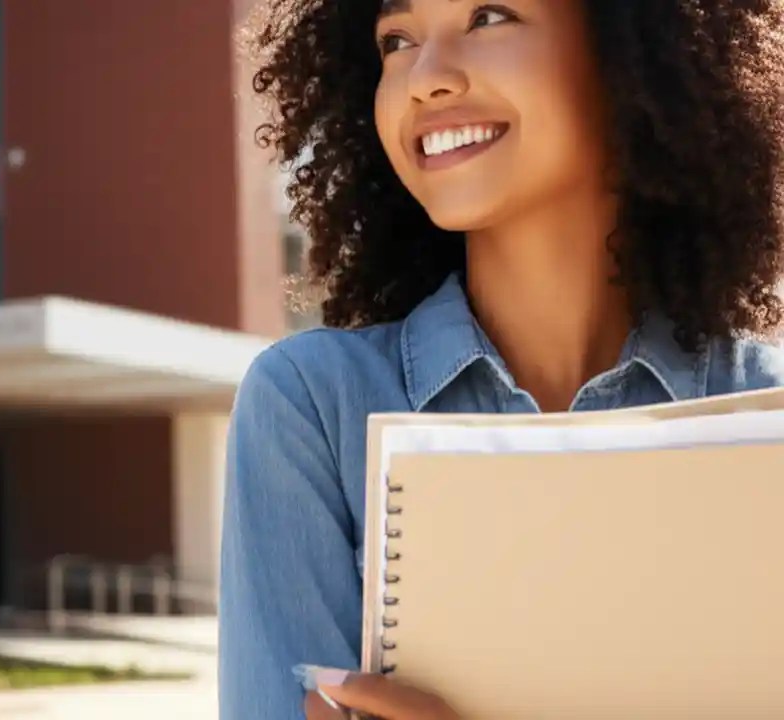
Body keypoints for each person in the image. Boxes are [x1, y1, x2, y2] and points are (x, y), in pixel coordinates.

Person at [219, 0, 784, 718]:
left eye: (488, 16)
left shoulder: (770, 416)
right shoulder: (311, 408)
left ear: (624, 52)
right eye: (395, 39)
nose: (425, 79)